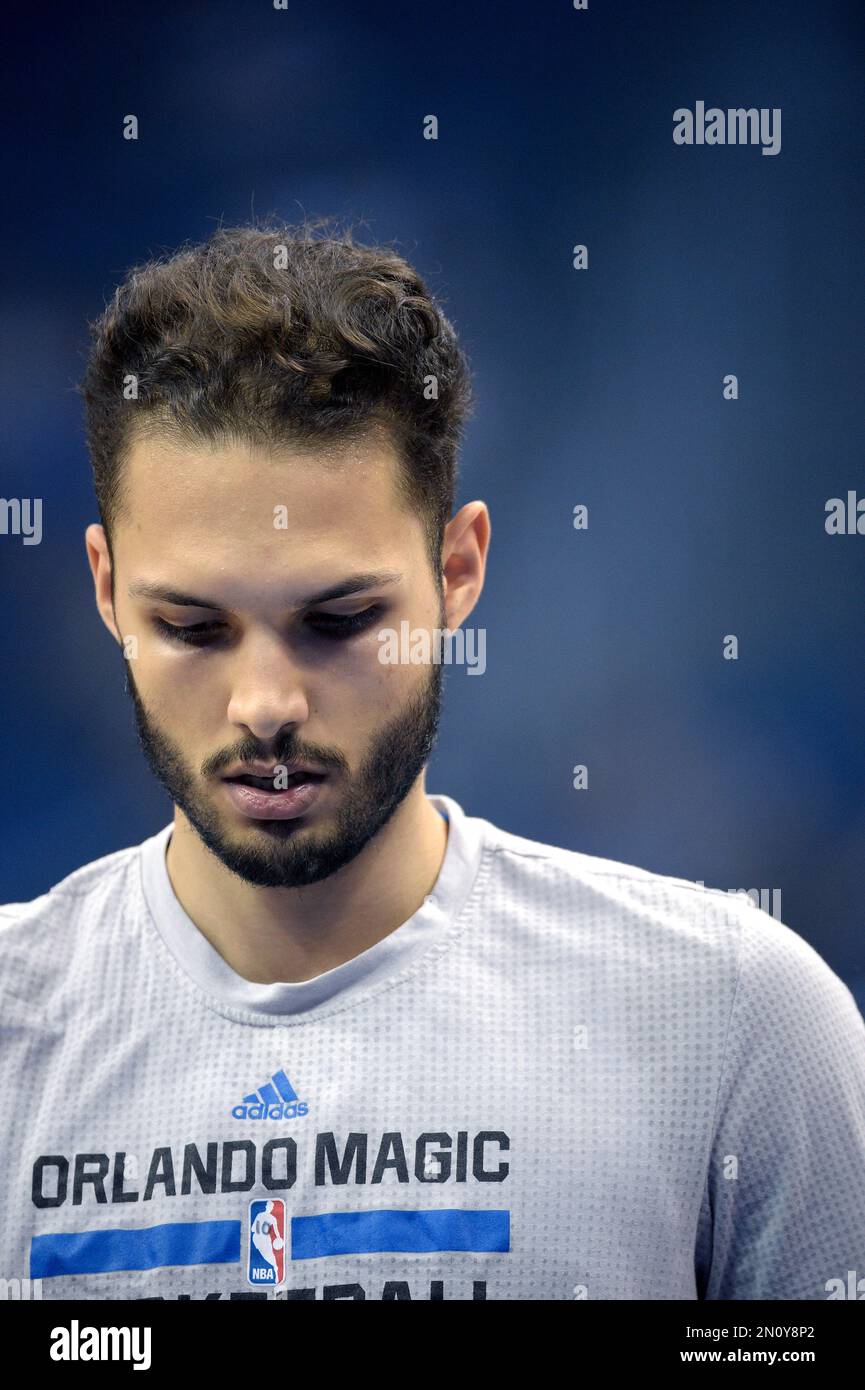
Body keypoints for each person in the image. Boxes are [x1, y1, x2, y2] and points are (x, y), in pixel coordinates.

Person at [1, 222, 863, 1301]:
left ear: (457, 570)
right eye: (191, 626)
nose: (265, 705)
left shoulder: (729, 1017)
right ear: (105, 588)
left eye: (341, 618)